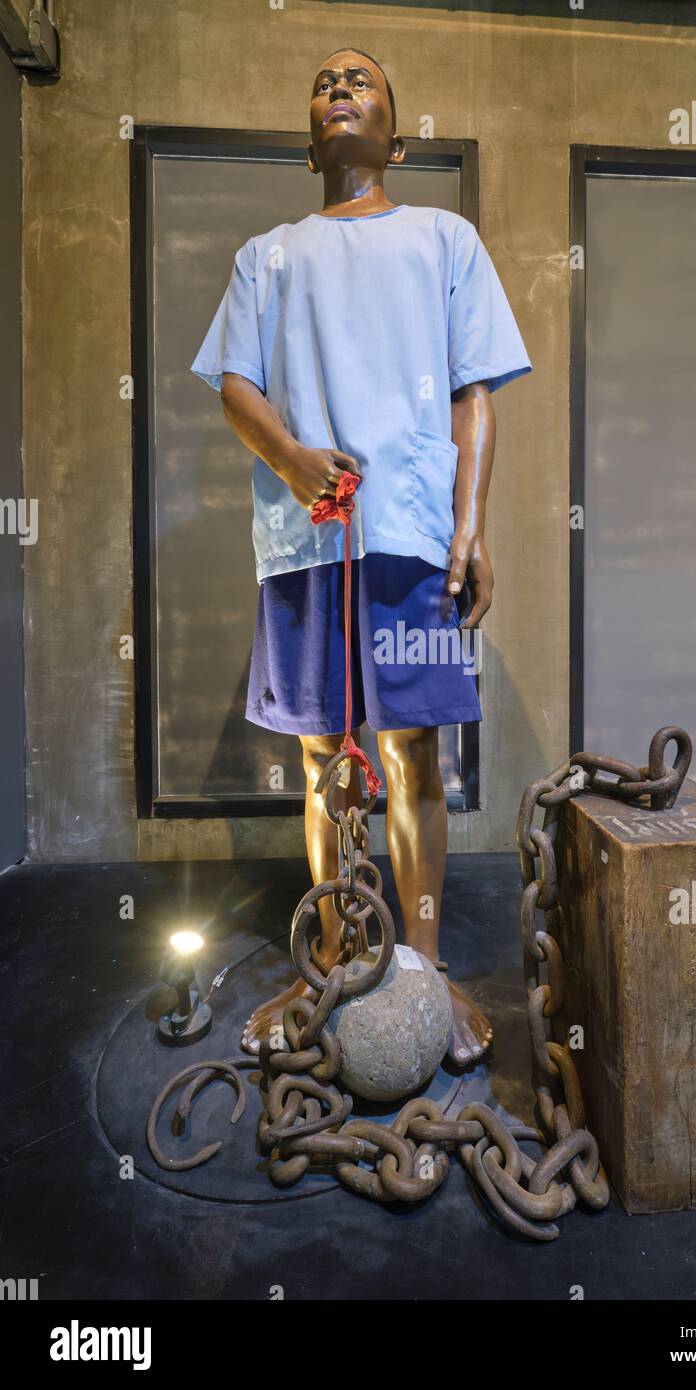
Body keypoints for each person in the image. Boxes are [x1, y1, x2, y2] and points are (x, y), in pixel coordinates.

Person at [191, 47, 531, 1066]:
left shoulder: (445, 240)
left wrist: (468, 530)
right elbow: (236, 385)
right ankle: (336, 963)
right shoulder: (269, 255)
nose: (339, 87)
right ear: (310, 141)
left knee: (412, 754)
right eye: (324, 83)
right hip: (305, 543)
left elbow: (476, 391)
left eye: (361, 81)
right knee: (320, 759)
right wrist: (293, 457)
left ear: (398, 133)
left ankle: (420, 974)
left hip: (412, 538)